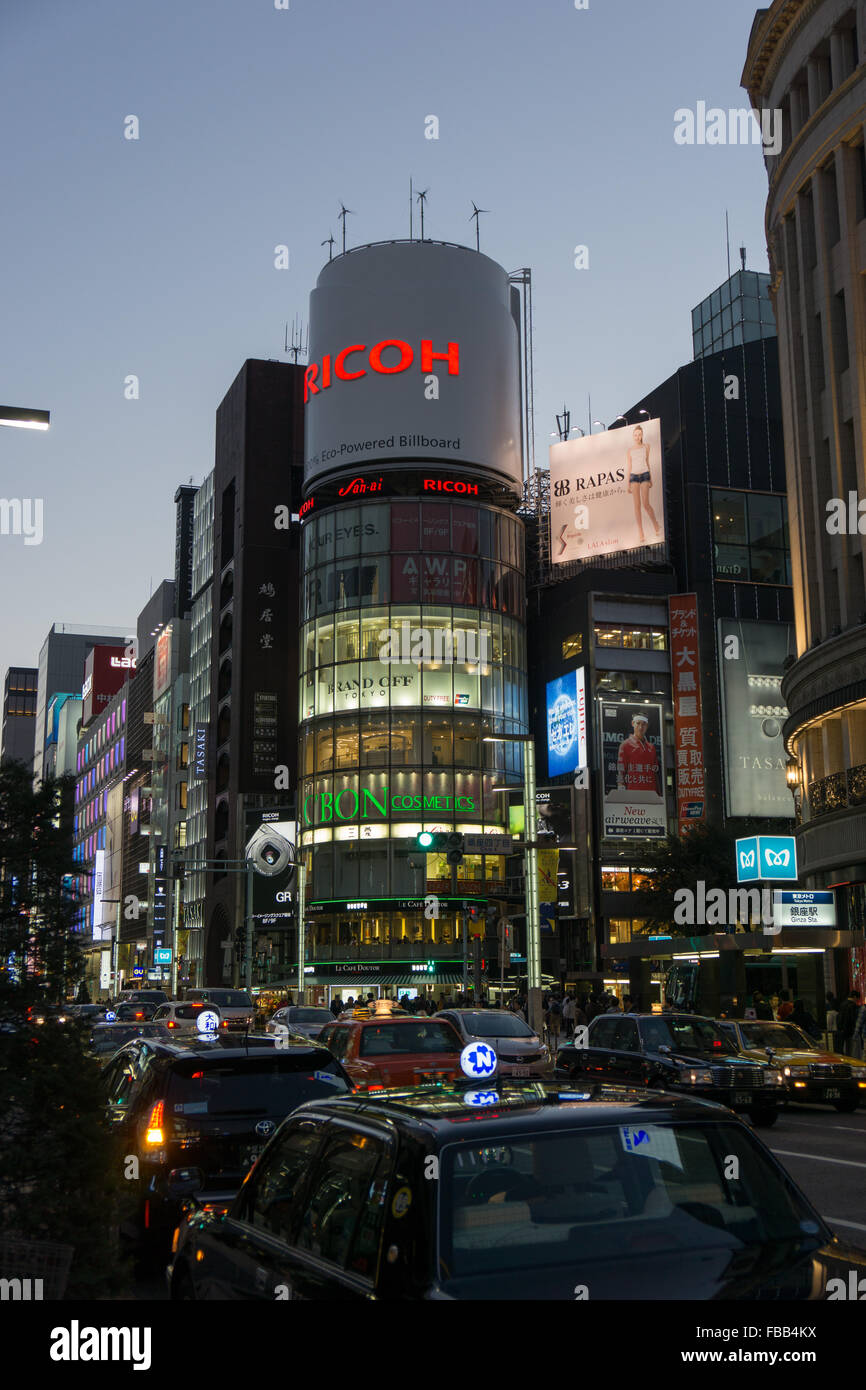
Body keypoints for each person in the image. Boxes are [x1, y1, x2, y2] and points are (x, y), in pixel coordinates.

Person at [626, 423, 661, 545]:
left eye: (639, 435)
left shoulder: (647, 446)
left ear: (642, 435)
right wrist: (628, 483)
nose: (637, 437)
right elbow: (629, 466)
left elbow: (647, 462)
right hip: (634, 476)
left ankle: (655, 524)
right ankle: (641, 532)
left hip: (645, 474)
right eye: (635, 435)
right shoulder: (629, 450)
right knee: (637, 505)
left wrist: (650, 478)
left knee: (646, 503)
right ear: (633, 436)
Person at [617, 713, 662, 797]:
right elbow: (620, 770)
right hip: (633, 794)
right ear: (632, 723)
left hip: (651, 794)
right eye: (638, 723)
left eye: (643, 724)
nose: (641, 727)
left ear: (647, 726)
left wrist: (659, 794)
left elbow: (655, 773)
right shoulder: (625, 745)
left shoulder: (651, 747)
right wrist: (621, 790)